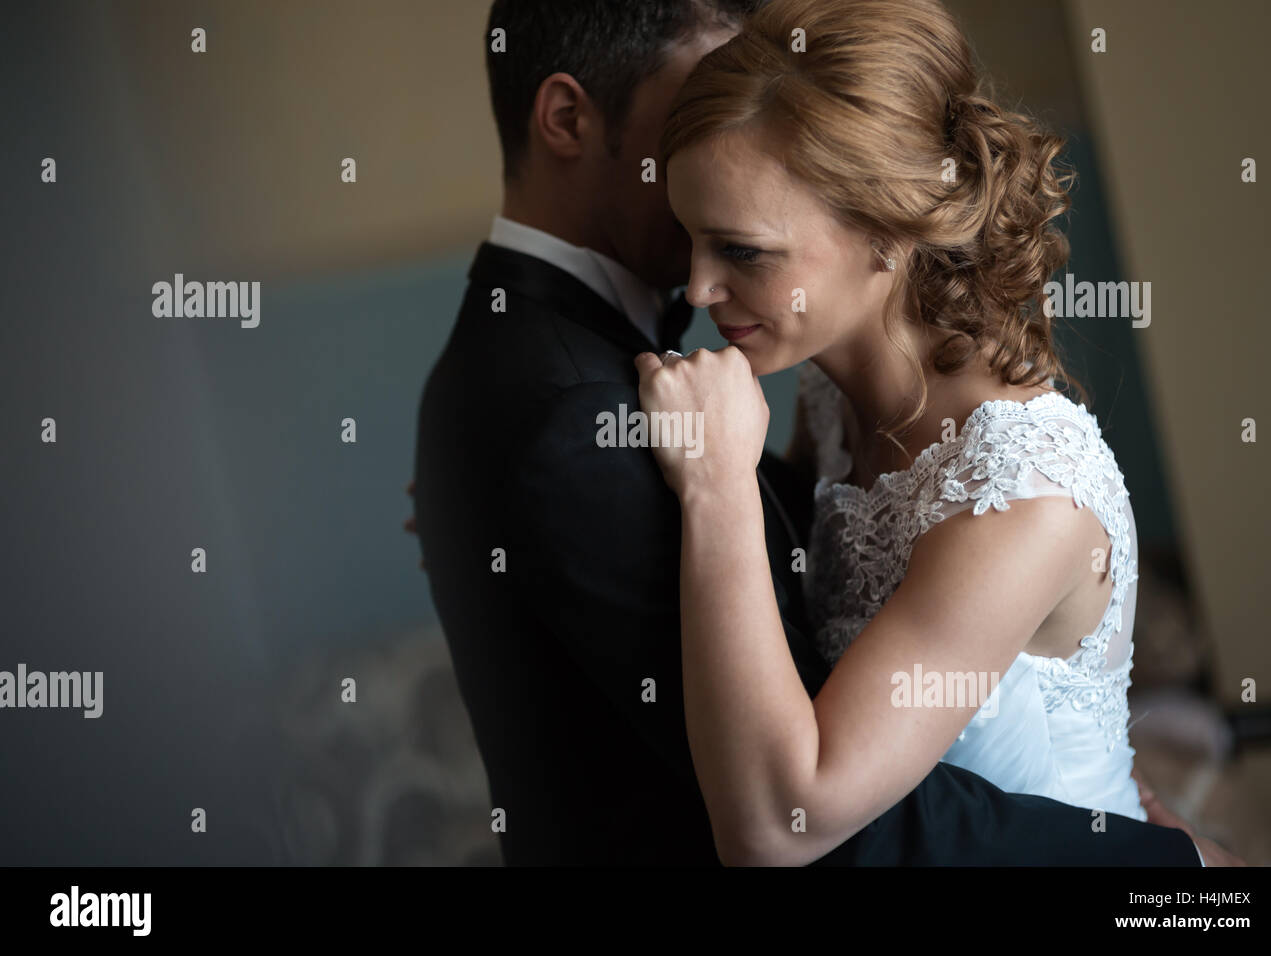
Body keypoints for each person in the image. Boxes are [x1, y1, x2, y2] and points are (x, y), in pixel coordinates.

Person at [411, 0, 1226, 865]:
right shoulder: (817, 404)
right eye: (692, 236)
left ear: (889, 227)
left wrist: (1177, 875)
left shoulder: (1019, 486)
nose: (697, 290)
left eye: (742, 250)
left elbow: (798, 808)